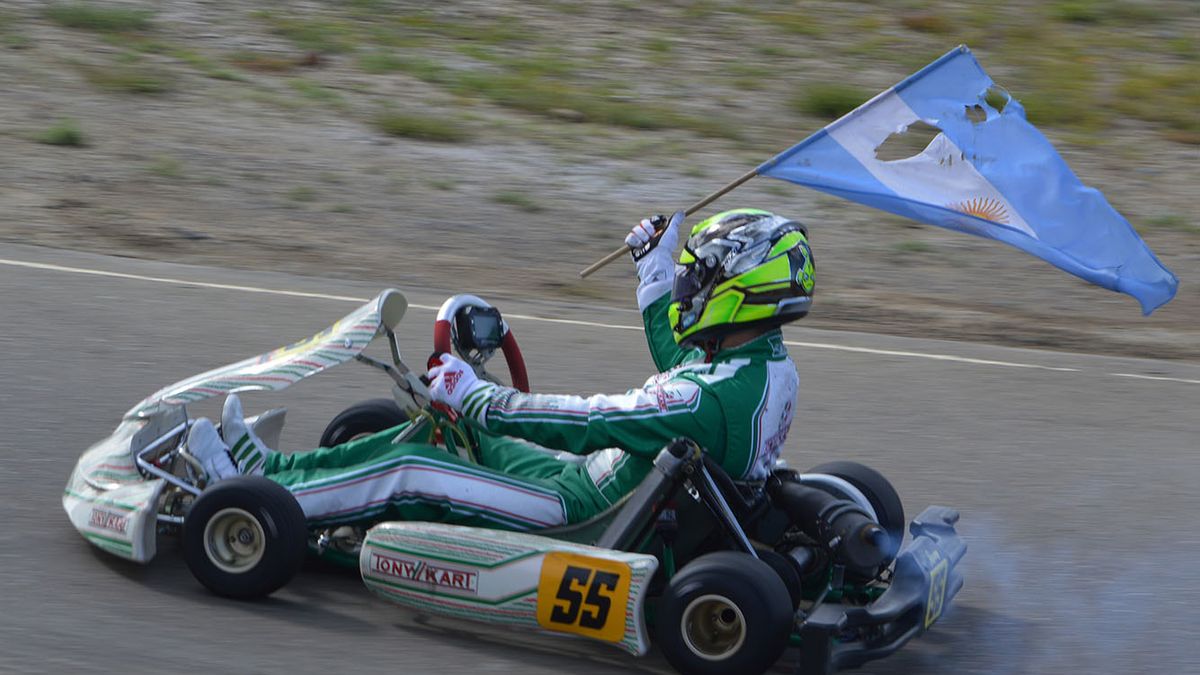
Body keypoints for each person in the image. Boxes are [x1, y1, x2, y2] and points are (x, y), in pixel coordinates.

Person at [187, 208, 815, 531]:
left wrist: (478, 393)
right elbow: (683, 363)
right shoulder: (758, 369)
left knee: (414, 471)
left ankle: (257, 505)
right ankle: (268, 472)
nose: (686, 285)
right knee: (449, 435)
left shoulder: (707, 401)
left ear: (744, 289)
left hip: (582, 512)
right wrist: (652, 273)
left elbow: (589, 420)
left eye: (696, 275)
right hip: (607, 482)